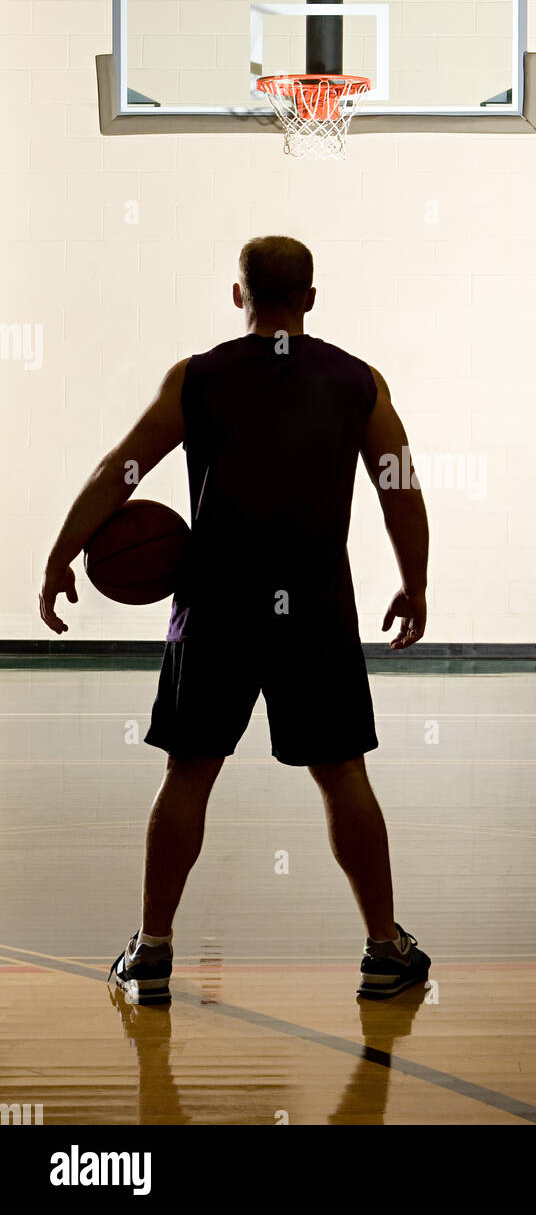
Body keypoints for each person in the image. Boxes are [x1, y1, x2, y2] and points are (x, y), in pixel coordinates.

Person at [38, 235, 431, 1003]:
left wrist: (62, 552)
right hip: (314, 610)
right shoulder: (358, 382)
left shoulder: (197, 378)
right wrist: (414, 584)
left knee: (188, 770)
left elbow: (121, 467)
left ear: (237, 295)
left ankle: (152, 952)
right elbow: (399, 487)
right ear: (310, 299)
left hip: (214, 606)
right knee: (342, 772)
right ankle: (384, 951)